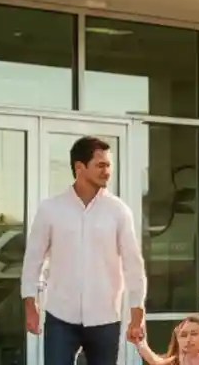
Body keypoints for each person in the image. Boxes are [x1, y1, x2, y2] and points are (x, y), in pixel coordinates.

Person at [21, 136, 148, 365]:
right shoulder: (51, 209)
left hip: (106, 318)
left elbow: (133, 264)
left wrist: (137, 312)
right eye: (101, 165)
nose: (107, 171)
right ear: (80, 167)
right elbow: (33, 260)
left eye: (109, 165)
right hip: (61, 317)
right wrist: (31, 304)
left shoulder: (119, 211)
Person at [134, 310, 199, 365]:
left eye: (194, 334)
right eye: (183, 335)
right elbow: (154, 360)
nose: (188, 339)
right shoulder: (175, 359)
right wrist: (140, 341)